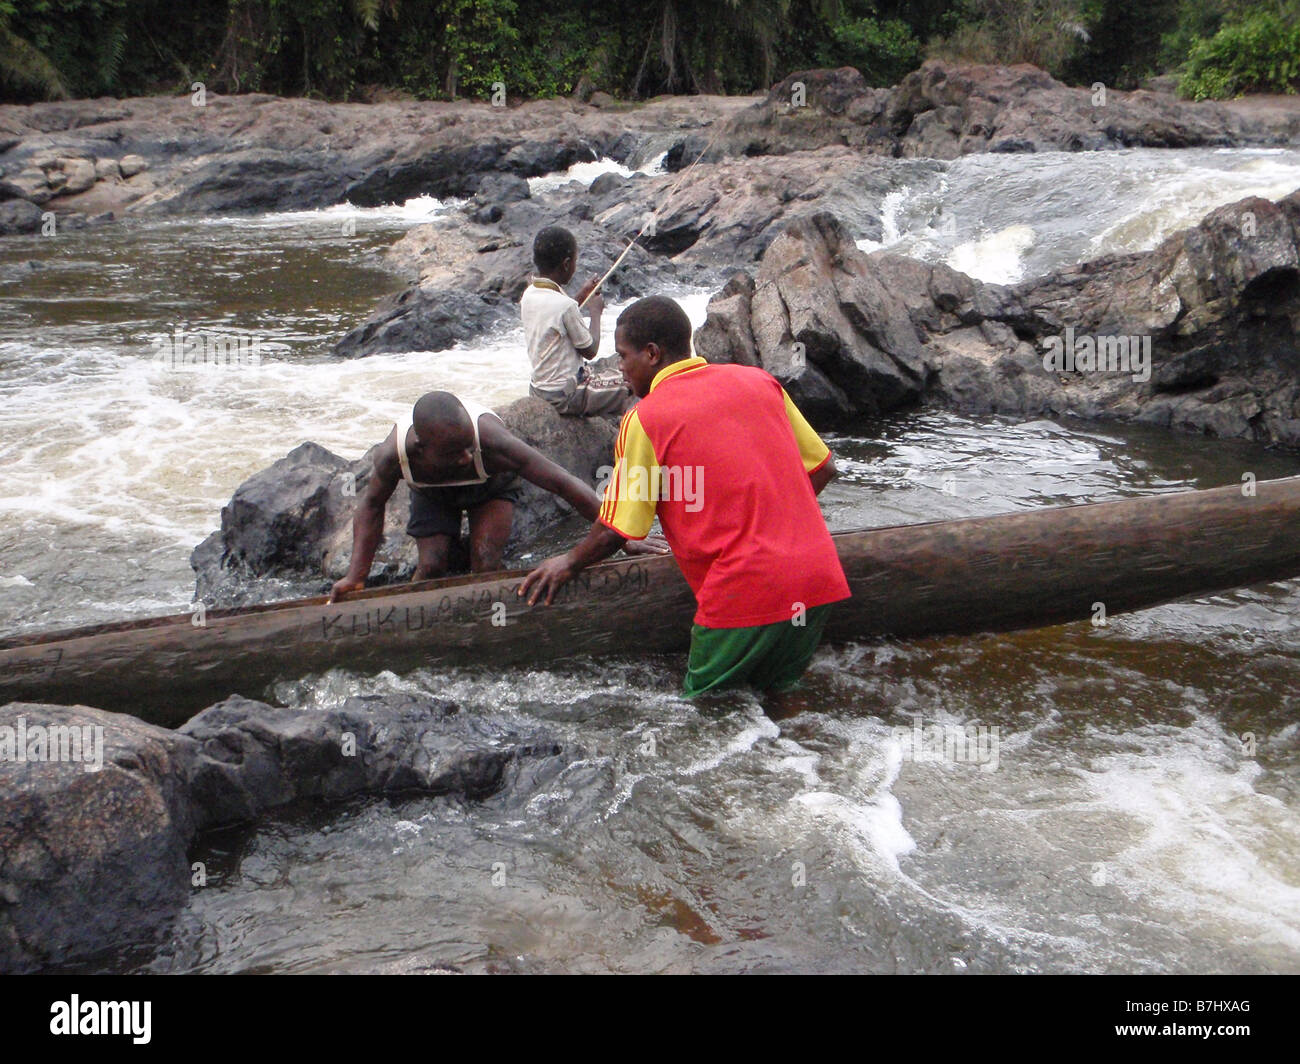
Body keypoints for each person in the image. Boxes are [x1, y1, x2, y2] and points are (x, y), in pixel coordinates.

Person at [520, 296, 850, 697]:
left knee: (707, 714)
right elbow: (823, 468)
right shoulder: (758, 381)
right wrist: (771, 521)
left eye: (623, 356)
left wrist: (568, 562)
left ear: (652, 354)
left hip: (741, 595)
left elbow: (618, 528)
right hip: (819, 580)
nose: (621, 369)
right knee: (780, 699)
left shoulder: (645, 418)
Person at [329, 390, 664, 602]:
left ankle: (495, 623)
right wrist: (355, 577)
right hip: (430, 494)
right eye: (454, 451)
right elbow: (371, 505)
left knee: (485, 564)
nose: (465, 456)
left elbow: (562, 482)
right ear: (421, 448)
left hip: (490, 487)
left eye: (467, 446)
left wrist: (620, 535)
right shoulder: (393, 455)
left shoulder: (492, 440)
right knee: (431, 567)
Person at [521, 226, 633, 417]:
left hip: (539, 389)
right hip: (566, 396)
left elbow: (556, 317)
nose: (574, 266)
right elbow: (590, 350)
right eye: (574, 261)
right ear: (566, 264)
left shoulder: (530, 293)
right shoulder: (565, 306)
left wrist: (582, 295)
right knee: (632, 386)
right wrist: (596, 312)